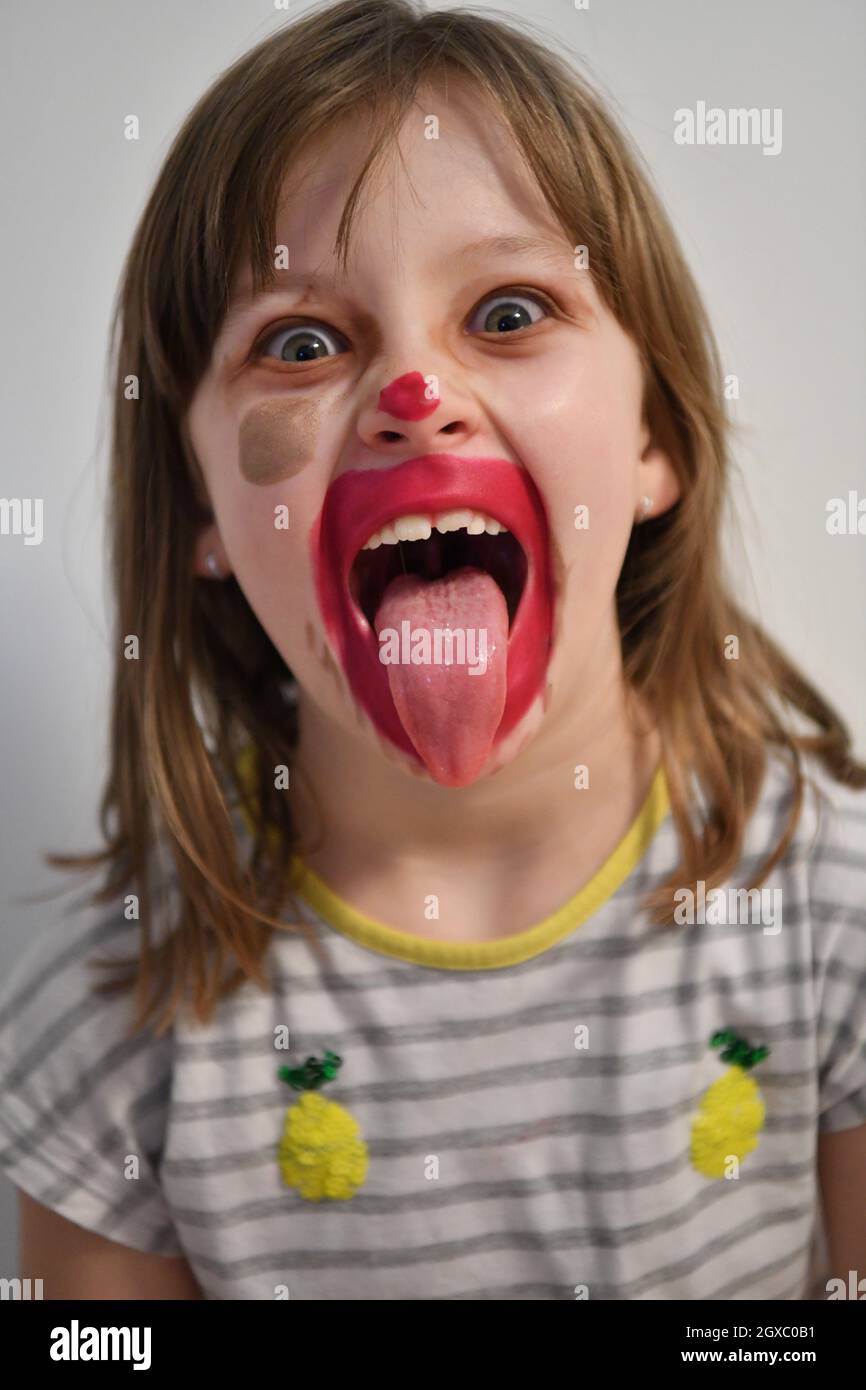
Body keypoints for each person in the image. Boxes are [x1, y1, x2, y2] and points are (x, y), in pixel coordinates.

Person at [1, 0, 864, 1300]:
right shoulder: (104, 1006)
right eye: (300, 343)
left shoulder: (827, 914)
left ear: (651, 439)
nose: (416, 394)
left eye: (508, 312)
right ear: (197, 511)